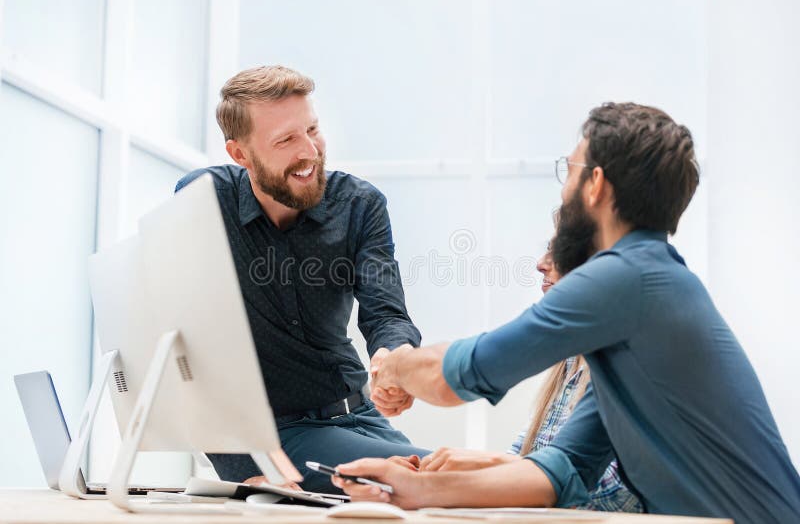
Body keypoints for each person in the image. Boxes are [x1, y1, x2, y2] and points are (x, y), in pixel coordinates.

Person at [339, 102, 800, 523]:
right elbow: (562, 471)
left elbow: (461, 374)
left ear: (595, 184)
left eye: (570, 170)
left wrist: (394, 364)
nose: (565, 191)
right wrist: (414, 490)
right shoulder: (643, 297)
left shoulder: (625, 278)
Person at [175, 65, 428, 493]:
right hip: (277, 436)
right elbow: (188, 344)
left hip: (359, 416)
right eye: (286, 140)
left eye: (312, 129)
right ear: (240, 154)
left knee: (456, 477)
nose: (310, 151)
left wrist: (394, 361)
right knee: (446, 480)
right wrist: (244, 471)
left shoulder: (360, 205)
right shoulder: (204, 201)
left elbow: (385, 313)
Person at [409, 239, 642, 513]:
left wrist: (489, 464)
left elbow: (617, 491)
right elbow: (524, 455)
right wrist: (435, 472)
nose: (540, 264)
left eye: (560, 250)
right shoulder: (569, 361)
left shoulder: (628, 361)